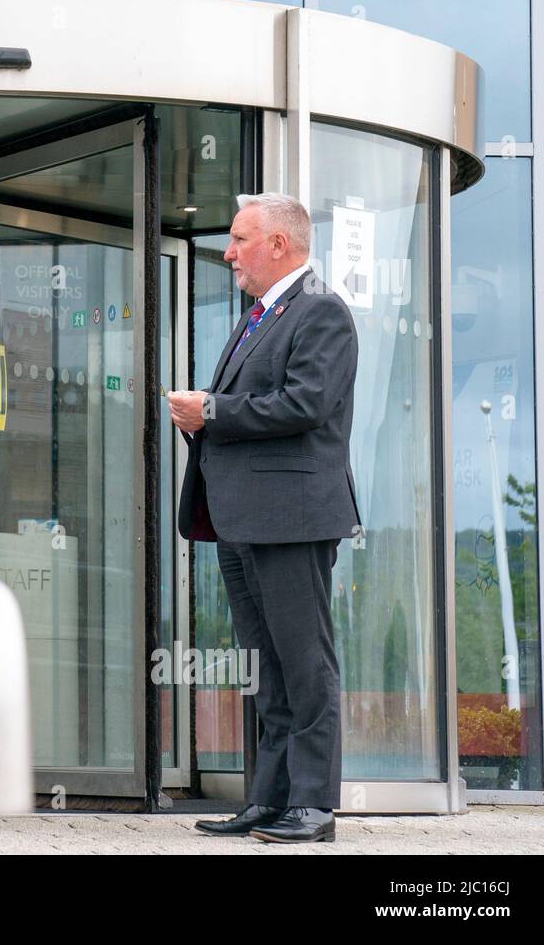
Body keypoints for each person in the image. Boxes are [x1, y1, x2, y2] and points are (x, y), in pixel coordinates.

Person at [169, 192, 361, 844]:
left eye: (239, 239)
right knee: (267, 669)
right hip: (241, 520)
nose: (227, 253)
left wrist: (211, 411)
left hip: (293, 519)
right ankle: (270, 799)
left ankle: (313, 805)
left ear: (279, 244)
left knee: (305, 666)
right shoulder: (261, 315)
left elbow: (304, 403)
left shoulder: (322, 312)